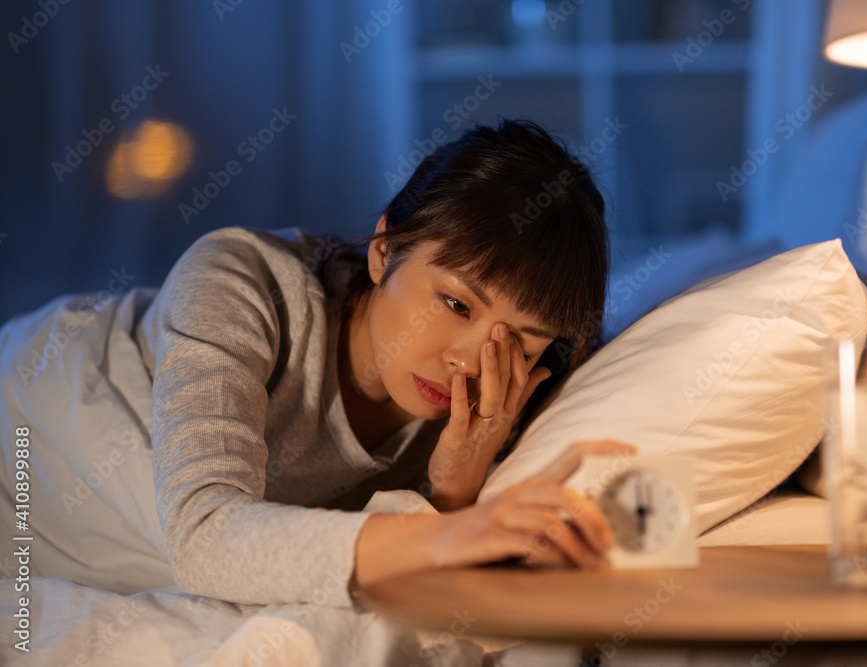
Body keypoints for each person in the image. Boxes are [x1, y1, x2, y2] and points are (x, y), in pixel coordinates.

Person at [0, 118, 633, 608]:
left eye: (521, 340)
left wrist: (455, 490)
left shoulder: (507, 407)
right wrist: (449, 534)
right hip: (27, 429)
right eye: (454, 303)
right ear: (385, 251)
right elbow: (204, 537)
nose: (469, 363)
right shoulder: (244, 281)